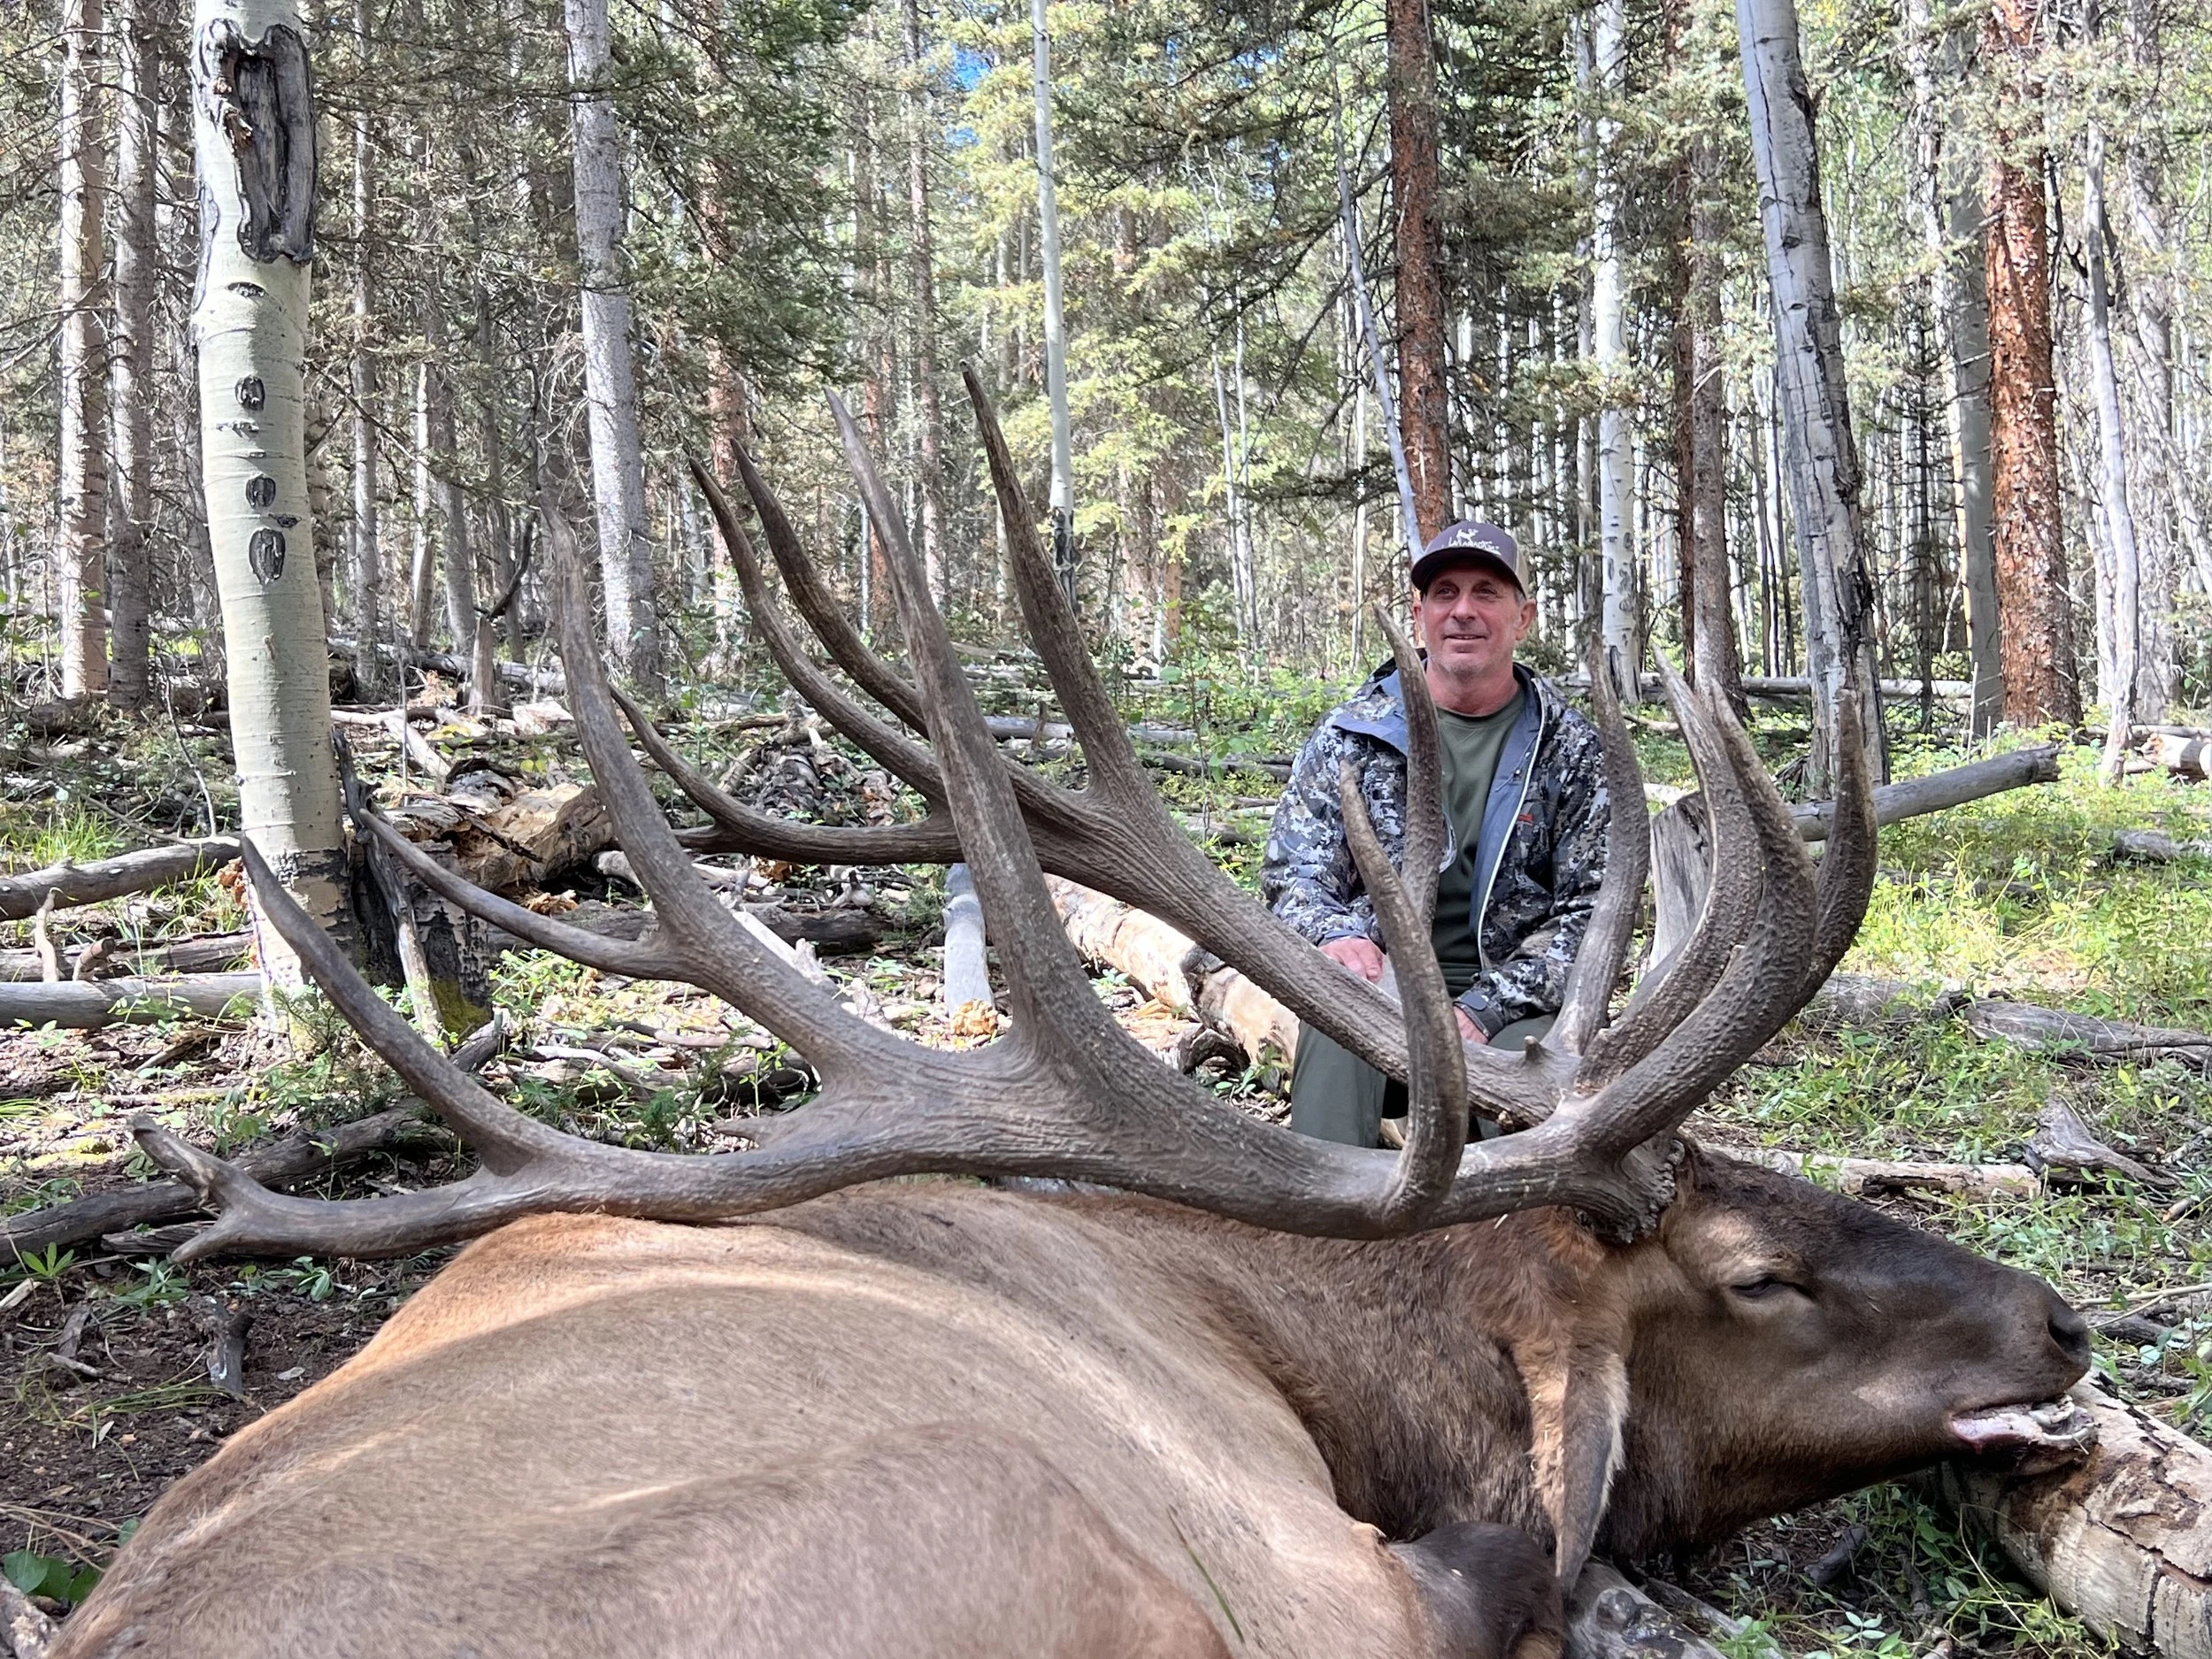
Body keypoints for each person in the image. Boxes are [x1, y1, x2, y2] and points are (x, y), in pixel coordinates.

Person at [1260, 520, 1609, 1148]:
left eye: (1486, 593)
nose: (1463, 611)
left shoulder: (1574, 750)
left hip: (1511, 1000)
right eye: (1445, 593)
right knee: (1340, 1035)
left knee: (1525, 1112)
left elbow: (1590, 913)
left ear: (1522, 617)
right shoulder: (1352, 737)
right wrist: (1335, 935)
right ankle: (1325, 1232)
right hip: (1380, 984)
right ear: (1419, 614)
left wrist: (1485, 1004)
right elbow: (1294, 873)